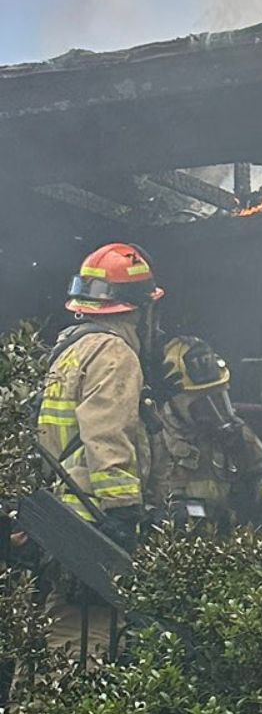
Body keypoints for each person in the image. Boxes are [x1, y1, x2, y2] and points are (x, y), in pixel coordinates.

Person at [35, 242, 164, 662]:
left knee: (58, 631)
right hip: (93, 524)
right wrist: (123, 513)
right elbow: (107, 438)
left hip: (59, 519)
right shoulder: (114, 353)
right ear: (140, 308)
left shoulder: (68, 351)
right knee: (87, 643)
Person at [148, 334, 262, 530]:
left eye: (218, 398)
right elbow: (134, 497)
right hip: (169, 547)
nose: (214, 411)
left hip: (225, 546)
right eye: (202, 403)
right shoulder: (153, 436)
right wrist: (157, 515)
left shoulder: (236, 434)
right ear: (175, 401)